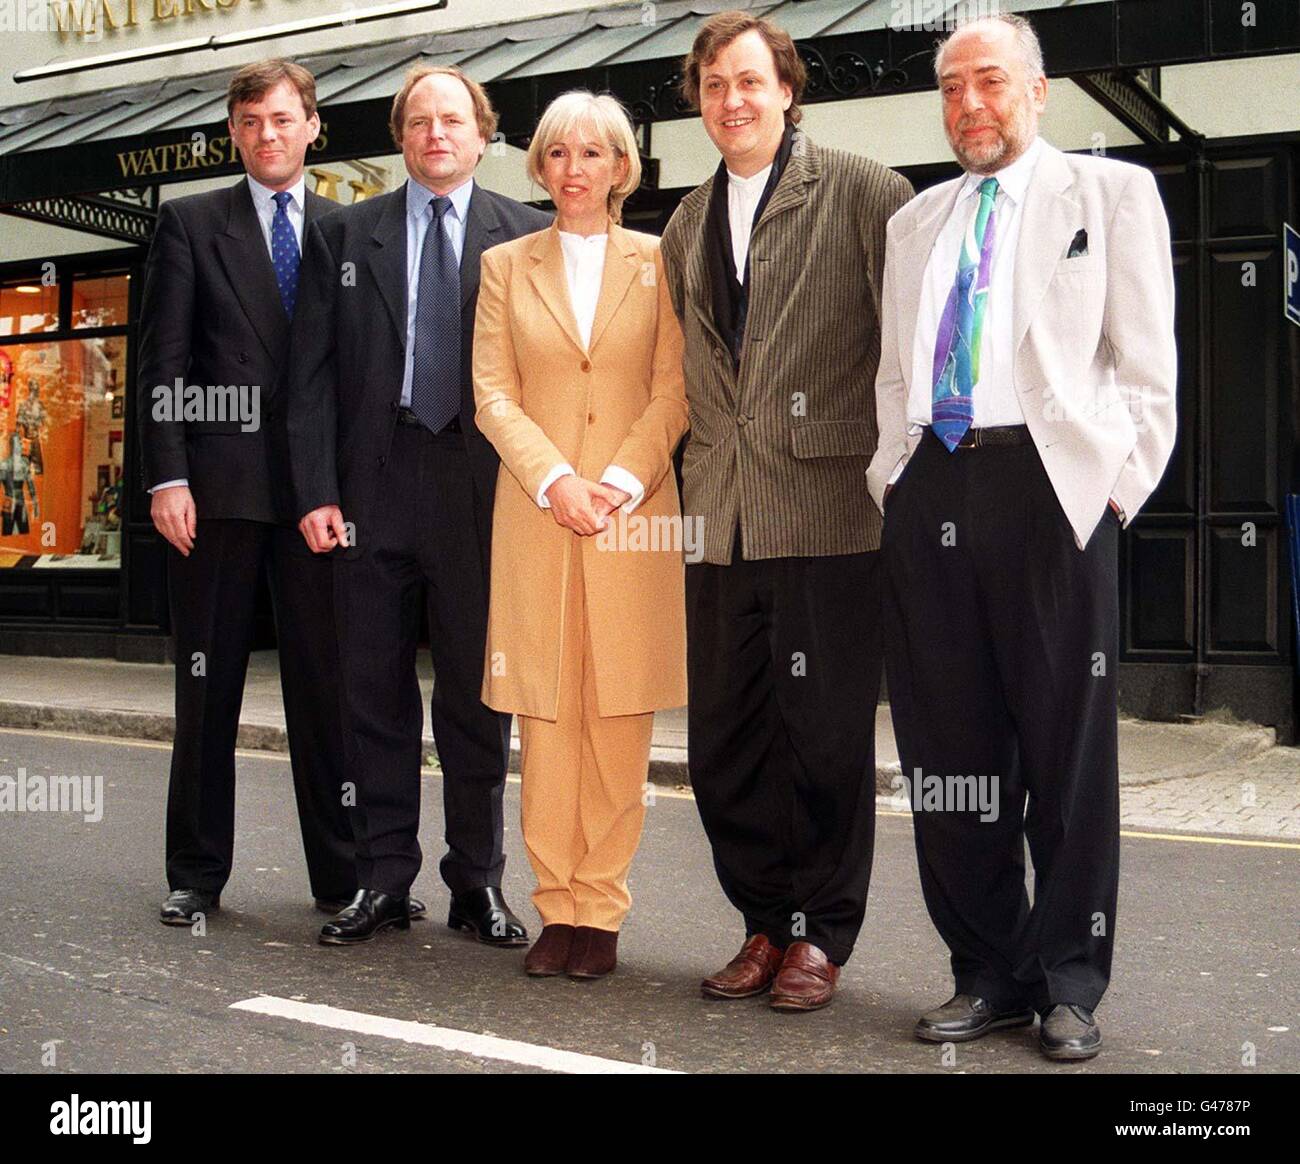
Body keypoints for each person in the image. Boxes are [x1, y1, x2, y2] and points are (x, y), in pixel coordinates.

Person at [867, 14, 1177, 1061]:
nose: (969, 107)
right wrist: (892, 475)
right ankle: (986, 971)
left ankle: (1068, 982)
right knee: (950, 753)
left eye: (989, 84)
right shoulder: (914, 222)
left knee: (1065, 753)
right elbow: (894, 373)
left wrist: (1110, 495)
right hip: (933, 484)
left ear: (1037, 92)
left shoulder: (1111, 195)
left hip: (1050, 488)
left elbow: (1146, 368)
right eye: (951, 89)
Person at [659, 11, 913, 1012]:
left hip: (825, 512)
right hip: (718, 519)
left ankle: (817, 935)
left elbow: (903, 355)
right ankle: (762, 922)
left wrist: (904, 478)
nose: (732, 100)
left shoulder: (862, 192)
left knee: (823, 739)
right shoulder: (681, 223)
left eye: (750, 82)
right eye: (715, 85)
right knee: (724, 745)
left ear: (787, 90)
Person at [288, 65, 550, 948]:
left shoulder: (529, 234)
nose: (436, 134)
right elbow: (311, 378)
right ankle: (382, 880)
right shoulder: (343, 236)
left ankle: (477, 884)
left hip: (488, 490)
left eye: (453, 120)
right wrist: (318, 492)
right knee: (373, 694)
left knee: (480, 696)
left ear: (484, 135)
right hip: (372, 484)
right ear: (401, 138)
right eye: (419, 122)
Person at [137, 59, 377, 927]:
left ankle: (344, 875)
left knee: (329, 690)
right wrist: (168, 474)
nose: (267, 135)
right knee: (208, 688)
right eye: (249, 123)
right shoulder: (190, 224)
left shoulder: (353, 233)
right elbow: (160, 363)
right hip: (216, 495)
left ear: (313, 126)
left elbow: (363, 378)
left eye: (282, 119)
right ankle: (196, 871)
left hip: (319, 498)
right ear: (233, 133)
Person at [473, 92, 688, 979]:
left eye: (591, 153)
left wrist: (620, 484)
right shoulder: (504, 265)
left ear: (620, 168)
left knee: (618, 718)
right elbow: (492, 391)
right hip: (537, 514)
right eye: (557, 153)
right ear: (540, 167)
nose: (573, 169)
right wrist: (558, 480)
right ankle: (553, 904)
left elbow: (674, 391)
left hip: (633, 519)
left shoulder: (662, 259)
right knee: (547, 718)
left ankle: (599, 911)